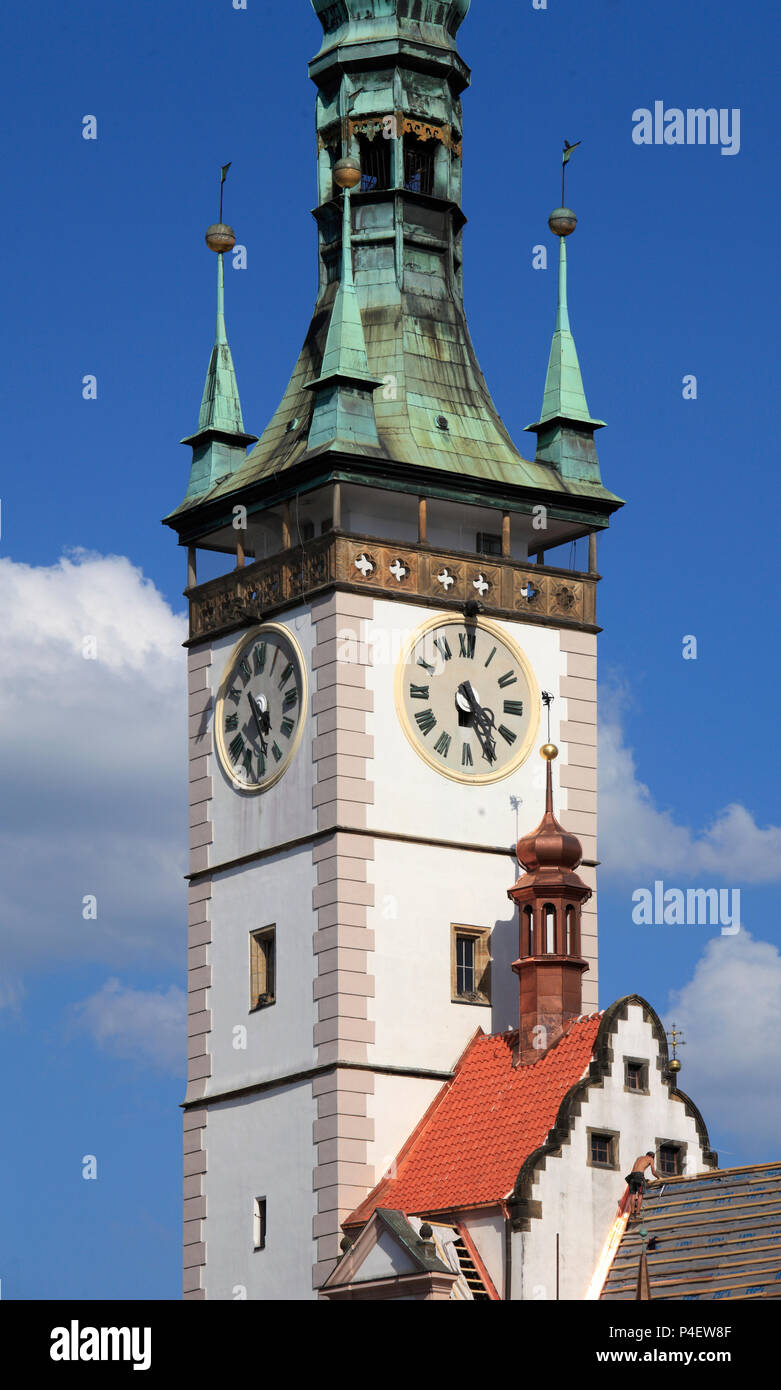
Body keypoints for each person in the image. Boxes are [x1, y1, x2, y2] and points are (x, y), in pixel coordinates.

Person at [623, 1152, 660, 1219]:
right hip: (639, 1176)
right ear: (652, 1156)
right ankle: (637, 1214)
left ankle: (632, 1214)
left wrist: (644, 1179)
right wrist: (658, 1178)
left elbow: (636, 1170)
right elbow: (653, 1172)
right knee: (640, 1195)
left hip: (632, 1176)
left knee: (633, 1195)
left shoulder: (639, 1158)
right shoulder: (651, 1159)